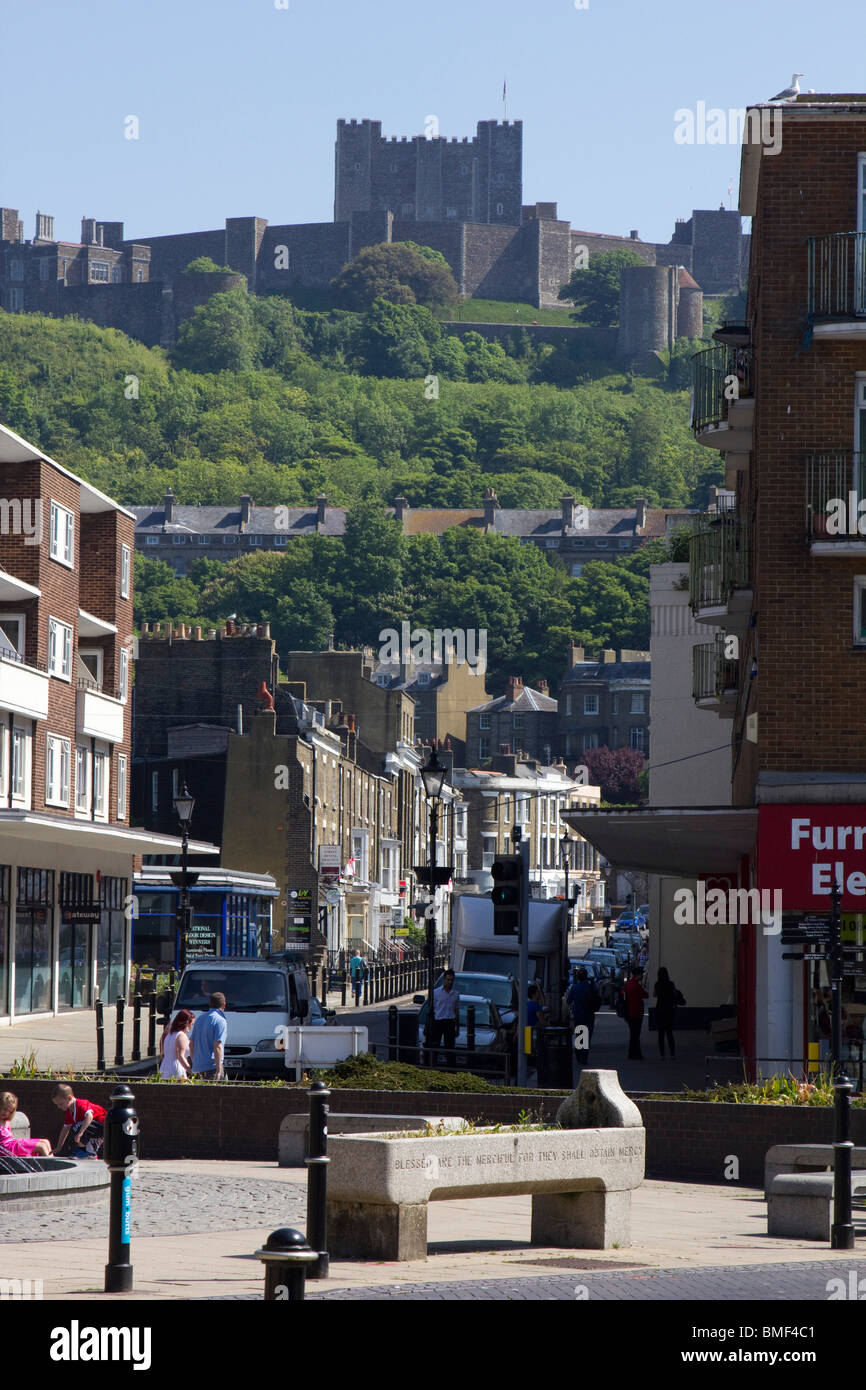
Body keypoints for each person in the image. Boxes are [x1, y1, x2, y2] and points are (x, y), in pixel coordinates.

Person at [52, 1084, 106, 1158]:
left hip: (103, 1125)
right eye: (57, 1105)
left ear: (69, 1098)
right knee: (75, 1129)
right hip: (93, 1127)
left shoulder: (81, 1104)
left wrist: (81, 1133)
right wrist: (59, 1147)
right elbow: (65, 1129)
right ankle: (90, 1152)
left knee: (78, 1127)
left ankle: (84, 1150)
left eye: (60, 1104)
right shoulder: (69, 1111)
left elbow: (89, 1116)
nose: (59, 1107)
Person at [0, 1092, 52, 1158]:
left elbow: (10, 1136)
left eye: (10, 1111)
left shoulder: (6, 1121)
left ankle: (54, 1163)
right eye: (5, 1109)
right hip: (5, 1148)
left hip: (12, 1144)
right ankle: (50, 1166)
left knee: (45, 1142)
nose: (6, 1113)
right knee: (41, 1146)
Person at [189, 992, 227, 1079]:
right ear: (224, 1005)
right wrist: (219, 1069)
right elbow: (217, 1046)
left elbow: (191, 1044)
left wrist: (195, 1062)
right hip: (212, 1068)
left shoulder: (199, 1019)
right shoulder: (220, 1021)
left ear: (210, 1004)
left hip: (198, 1068)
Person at [567, 967, 600, 1063]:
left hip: (578, 1014)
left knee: (579, 1035)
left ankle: (578, 1054)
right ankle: (584, 1056)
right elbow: (597, 997)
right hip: (589, 1014)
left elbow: (569, 1001)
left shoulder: (575, 987)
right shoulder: (590, 986)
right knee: (587, 1036)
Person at [428, 968, 460, 1066]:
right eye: (448, 980)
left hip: (449, 1022)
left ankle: (450, 1068)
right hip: (438, 1022)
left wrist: (457, 1027)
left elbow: (456, 1010)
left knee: (450, 1047)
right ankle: (433, 1066)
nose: (450, 982)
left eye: (451, 980)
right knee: (435, 1046)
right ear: (444, 980)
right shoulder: (436, 993)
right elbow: (431, 1009)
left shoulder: (455, 994)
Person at [653, 966, 684, 1059]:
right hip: (669, 1010)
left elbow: (654, 995)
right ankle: (672, 1054)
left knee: (661, 1034)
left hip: (660, 1009)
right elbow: (674, 994)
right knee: (669, 1033)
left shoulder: (657, 984)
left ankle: (662, 1054)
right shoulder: (671, 984)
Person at [159, 1008, 195, 1079]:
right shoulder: (181, 1035)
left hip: (164, 1067)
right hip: (176, 1068)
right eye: (192, 1024)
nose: (191, 1027)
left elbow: (163, 1051)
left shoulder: (169, 1034)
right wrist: (190, 1070)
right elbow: (180, 1056)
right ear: (187, 1022)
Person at [623, 967, 649, 1061]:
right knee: (636, 1034)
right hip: (636, 1012)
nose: (642, 976)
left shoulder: (628, 984)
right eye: (641, 974)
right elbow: (644, 995)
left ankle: (632, 1053)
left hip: (629, 1012)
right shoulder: (636, 985)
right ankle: (636, 1053)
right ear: (637, 975)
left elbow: (623, 994)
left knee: (633, 1034)